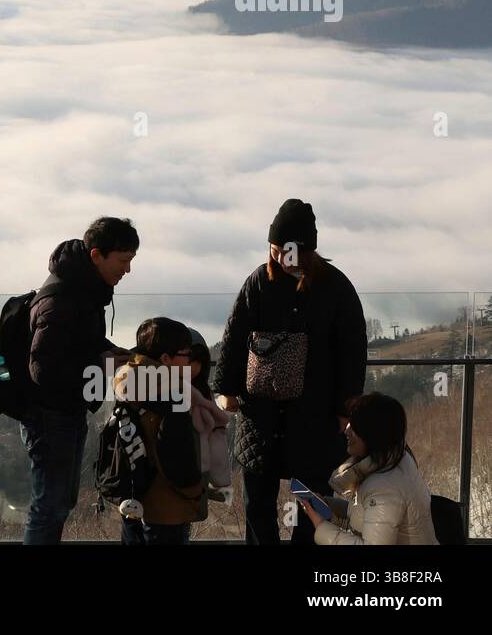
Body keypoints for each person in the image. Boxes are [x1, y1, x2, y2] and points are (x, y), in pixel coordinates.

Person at [212, 199, 367, 545]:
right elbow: (235, 336)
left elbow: (352, 351)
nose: (282, 256)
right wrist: (228, 389)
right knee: (258, 503)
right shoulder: (258, 282)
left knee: (311, 504)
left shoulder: (335, 287)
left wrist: (345, 408)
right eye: (278, 248)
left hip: (315, 413)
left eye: (288, 249)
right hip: (261, 414)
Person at [22, 217, 136, 544]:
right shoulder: (62, 299)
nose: (127, 270)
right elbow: (42, 368)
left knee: (59, 502)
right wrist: (100, 362)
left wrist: (111, 352)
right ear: (97, 254)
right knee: (51, 505)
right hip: (49, 415)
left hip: (65, 410)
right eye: (124, 260)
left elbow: (79, 343)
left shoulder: (83, 290)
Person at [113, 317, 204, 544]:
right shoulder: (173, 394)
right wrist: (195, 492)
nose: (190, 361)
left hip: (133, 499)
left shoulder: (127, 384)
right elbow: (176, 452)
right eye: (186, 355)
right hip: (168, 505)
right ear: (166, 359)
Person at [303, 393, 438, 545]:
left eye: (354, 425)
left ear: (371, 432)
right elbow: (369, 520)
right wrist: (331, 507)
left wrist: (321, 527)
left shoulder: (384, 487)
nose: (346, 430)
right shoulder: (394, 462)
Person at [187, 329, 233, 502]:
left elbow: (217, 440)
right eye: (189, 361)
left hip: (199, 475)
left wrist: (221, 481)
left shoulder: (204, 394)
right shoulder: (165, 392)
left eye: (198, 363)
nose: (193, 368)